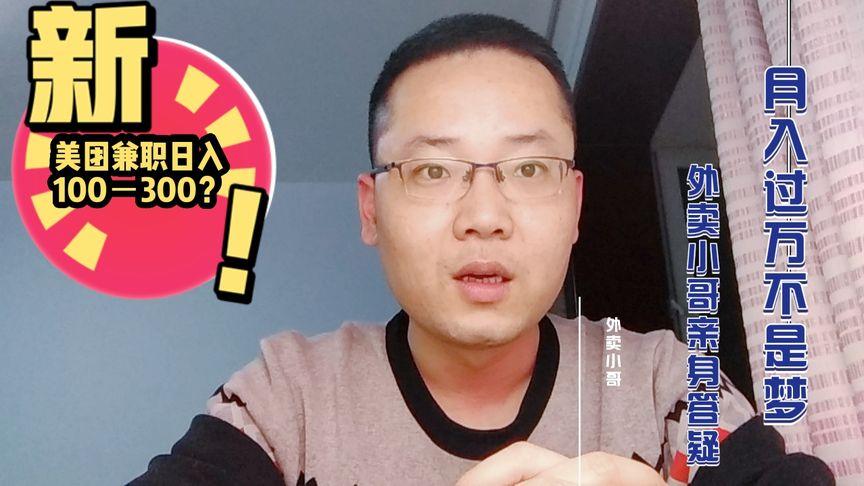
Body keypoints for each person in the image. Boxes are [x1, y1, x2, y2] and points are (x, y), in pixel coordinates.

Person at [130, 13, 834, 486]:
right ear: (371, 210)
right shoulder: (288, 398)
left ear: (575, 206)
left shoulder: (665, 384)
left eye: (529, 169)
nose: (485, 218)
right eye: (433, 171)